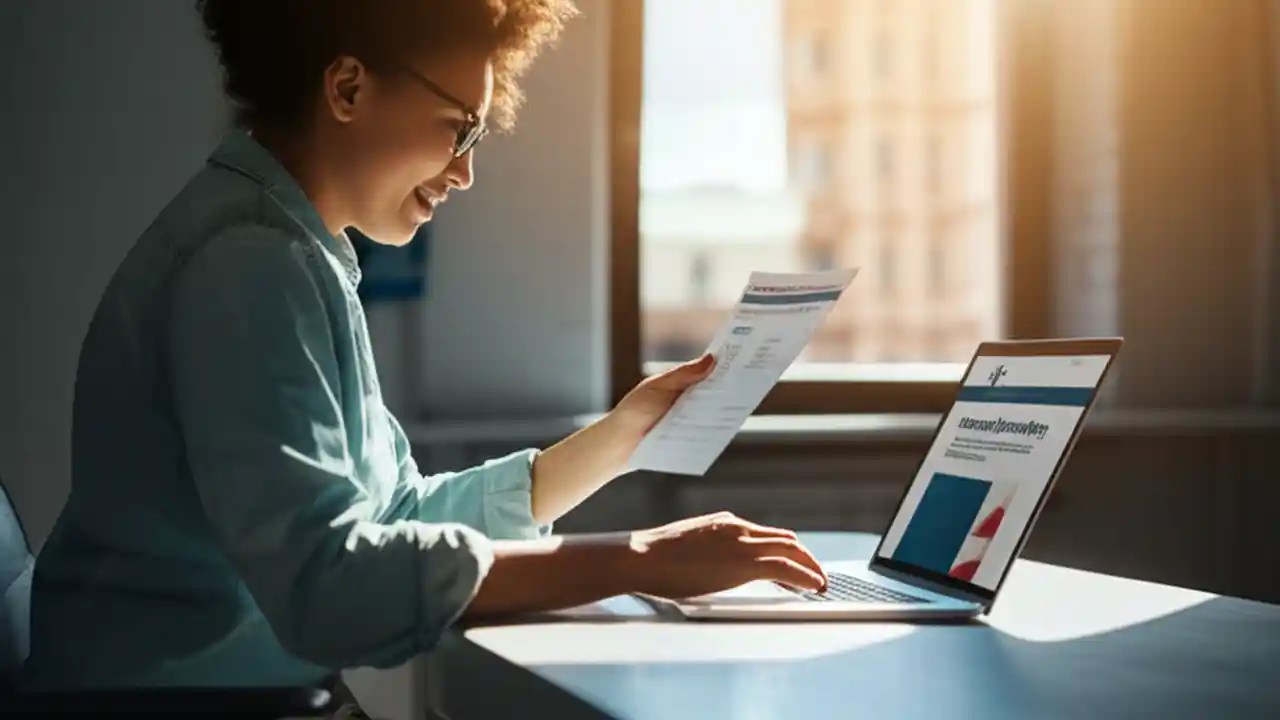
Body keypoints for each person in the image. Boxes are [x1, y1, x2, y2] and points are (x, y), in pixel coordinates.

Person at [23, 0, 828, 698]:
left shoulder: (295, 251)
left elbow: (395, 517)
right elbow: (330, 586)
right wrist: (639, 558)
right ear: (346, 88)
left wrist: (621, 440)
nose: (467, 170)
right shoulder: (250, 266)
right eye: (459, 127)